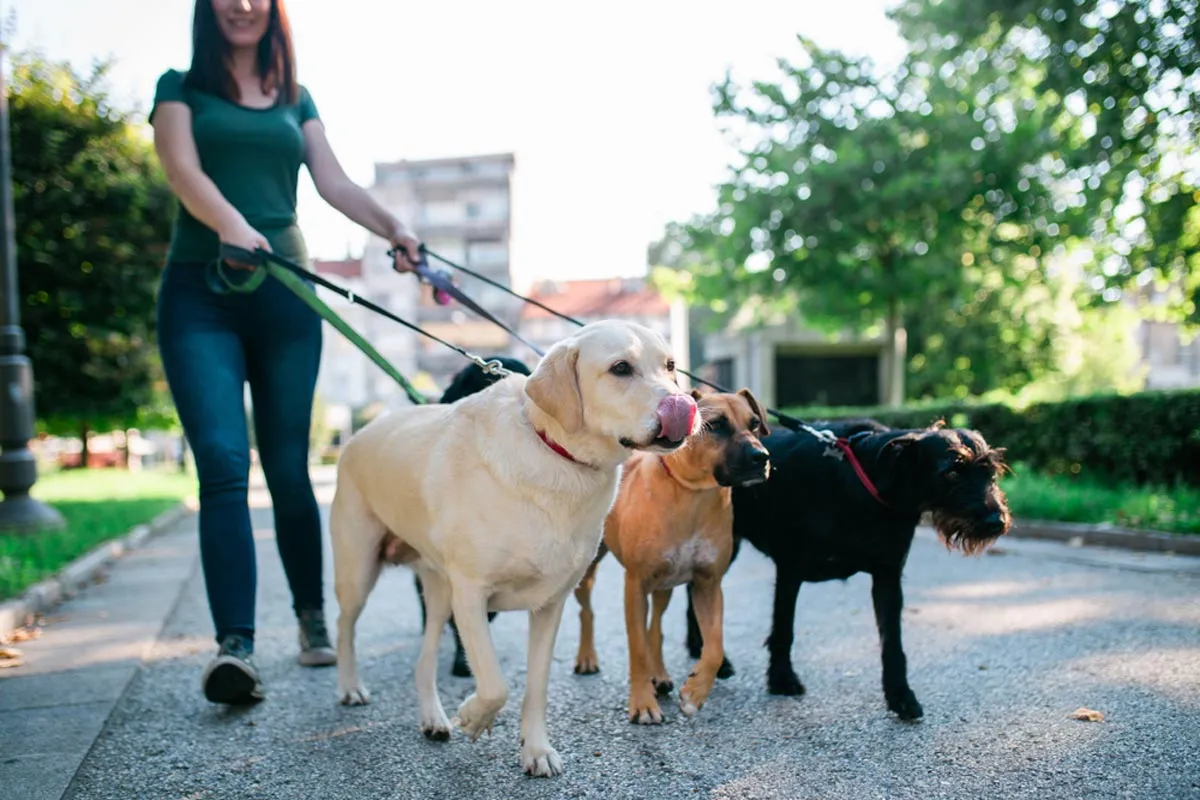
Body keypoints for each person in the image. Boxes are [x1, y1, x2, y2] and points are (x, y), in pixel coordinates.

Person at [149, 0, 421, 705]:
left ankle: (310, 618)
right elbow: (181, 170)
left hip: (286, 296)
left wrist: (394, 226)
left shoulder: (295, 98)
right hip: (199, 292)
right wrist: (234, 225)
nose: (241, 5)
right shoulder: (179, 87)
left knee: (289, 468)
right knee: (221, 460)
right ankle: (234, 647)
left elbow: (330, 182)